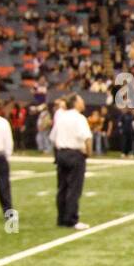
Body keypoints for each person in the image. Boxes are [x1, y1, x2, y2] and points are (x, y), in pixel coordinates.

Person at [50, 95, 92, 230]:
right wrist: (88, 153)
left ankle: (61, 218)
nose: (83, 102)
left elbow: (53, 138)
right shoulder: (79, 118)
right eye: (81, 100)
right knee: (74, 188)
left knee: (62, 187)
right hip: (75, 154)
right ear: (75, 103)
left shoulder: (61, 118)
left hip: (61, 153)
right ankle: (71, 219)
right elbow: (87, 138)